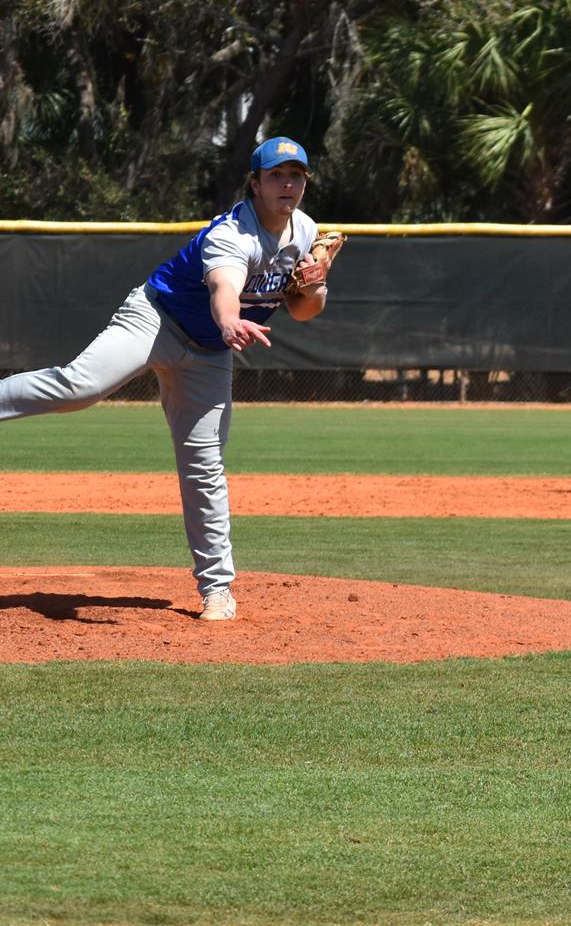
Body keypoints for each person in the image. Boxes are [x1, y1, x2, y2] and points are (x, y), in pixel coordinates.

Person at [0, 136, 333, 621]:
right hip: (155, 320)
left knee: (205, 467)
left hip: (210, 355)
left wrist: (315, 285)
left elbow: (304, 312)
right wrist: (228, 320)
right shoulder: (232, 234)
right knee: (79, 387)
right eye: (277, 175)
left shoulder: (304, 231)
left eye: (297, 175)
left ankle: (217, 589)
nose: (288, 184)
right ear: (255, 183)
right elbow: (225, 287)